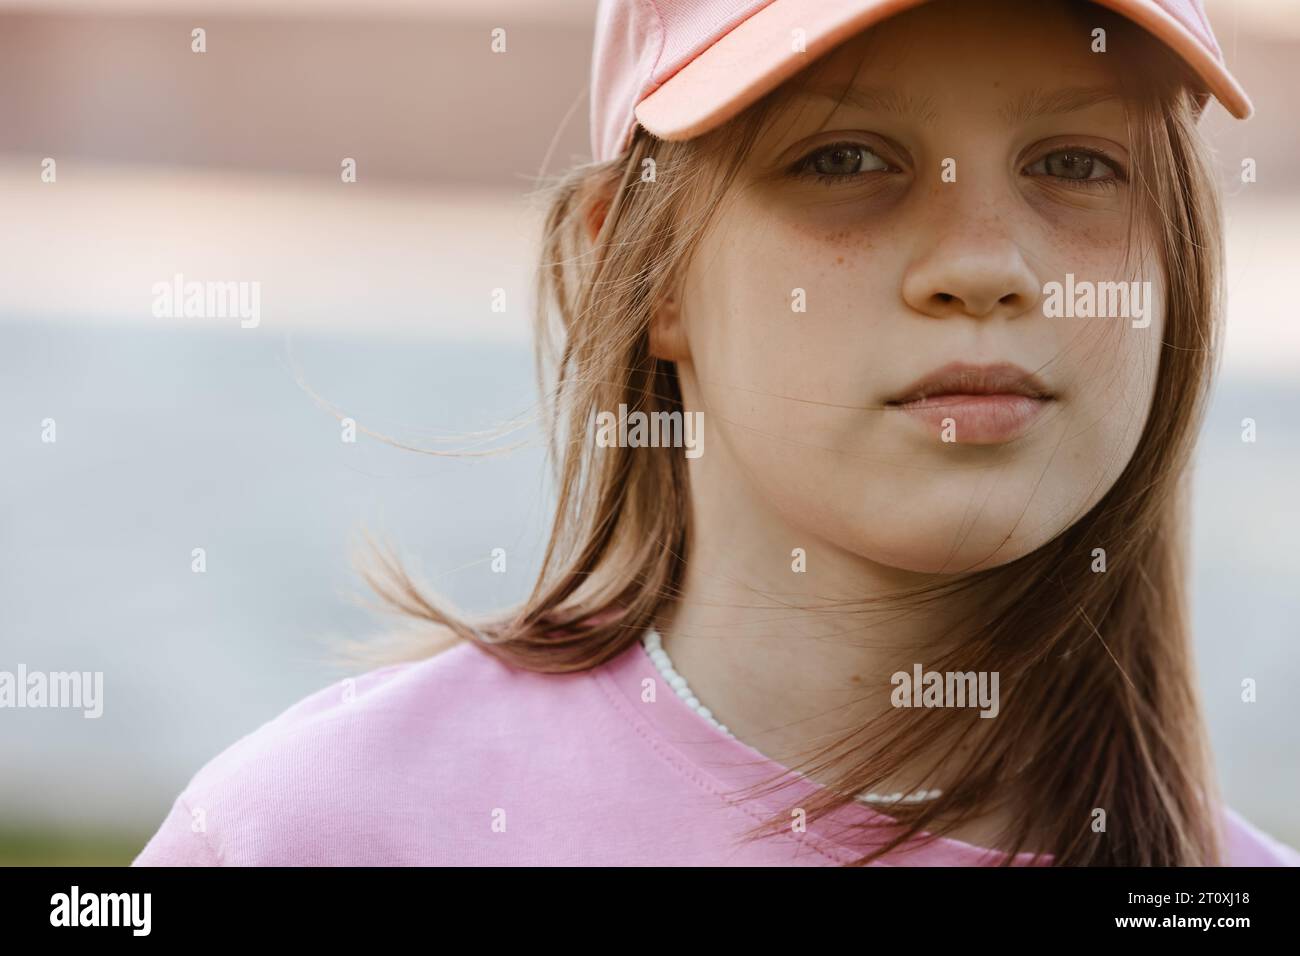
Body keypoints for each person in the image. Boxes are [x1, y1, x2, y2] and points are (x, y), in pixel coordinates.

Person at [133, 0, 1299, 866]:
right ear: (635, 271)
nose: (985, 264)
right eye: (843, 158)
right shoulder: (316, 835)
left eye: (1075, 163)